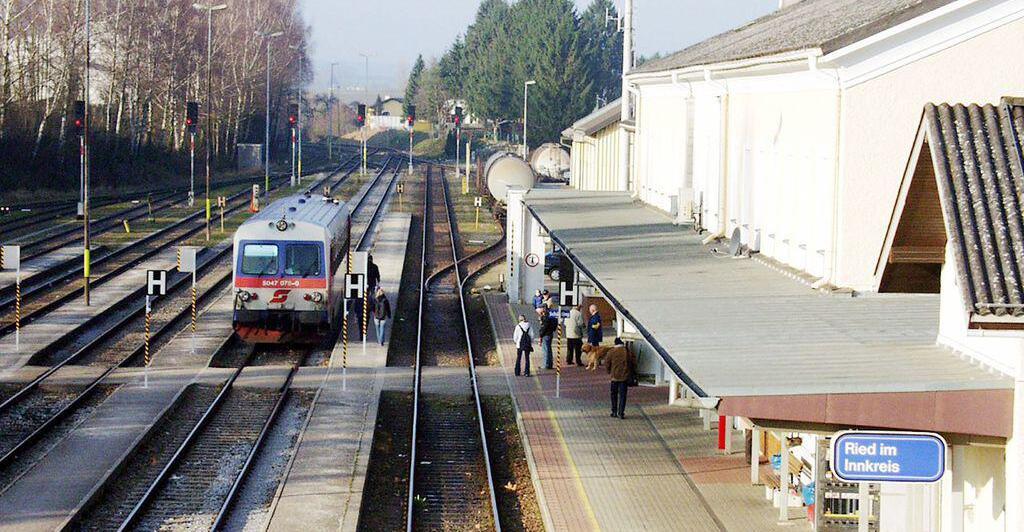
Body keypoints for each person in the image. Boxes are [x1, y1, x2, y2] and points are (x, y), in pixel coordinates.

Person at [606, 338, 636, 419]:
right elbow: (633, 362)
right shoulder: (627, 351)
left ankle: (614, 411)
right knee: (623, 395)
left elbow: (607, 363)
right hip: (624, 377)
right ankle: (621, 412)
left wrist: (609, 371)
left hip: (614, 377)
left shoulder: (611, 352)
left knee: (613, 394)